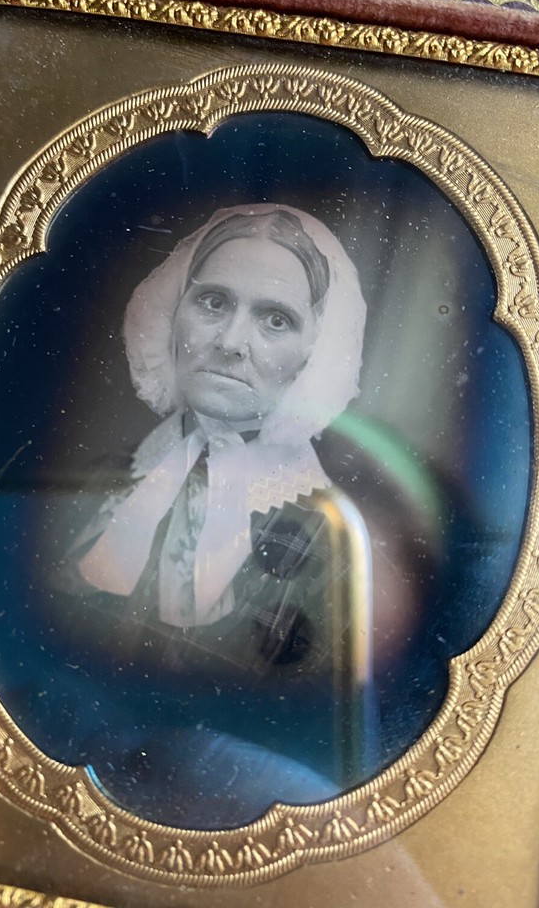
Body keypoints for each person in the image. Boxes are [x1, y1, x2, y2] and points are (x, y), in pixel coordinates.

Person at [62, 203, 377, 826]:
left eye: (276, 320)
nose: (231, 343)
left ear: (314, 351)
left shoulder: (326, 531)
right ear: (171, 311)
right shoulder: (109, 480)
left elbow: (329, 759)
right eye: (212, 303)